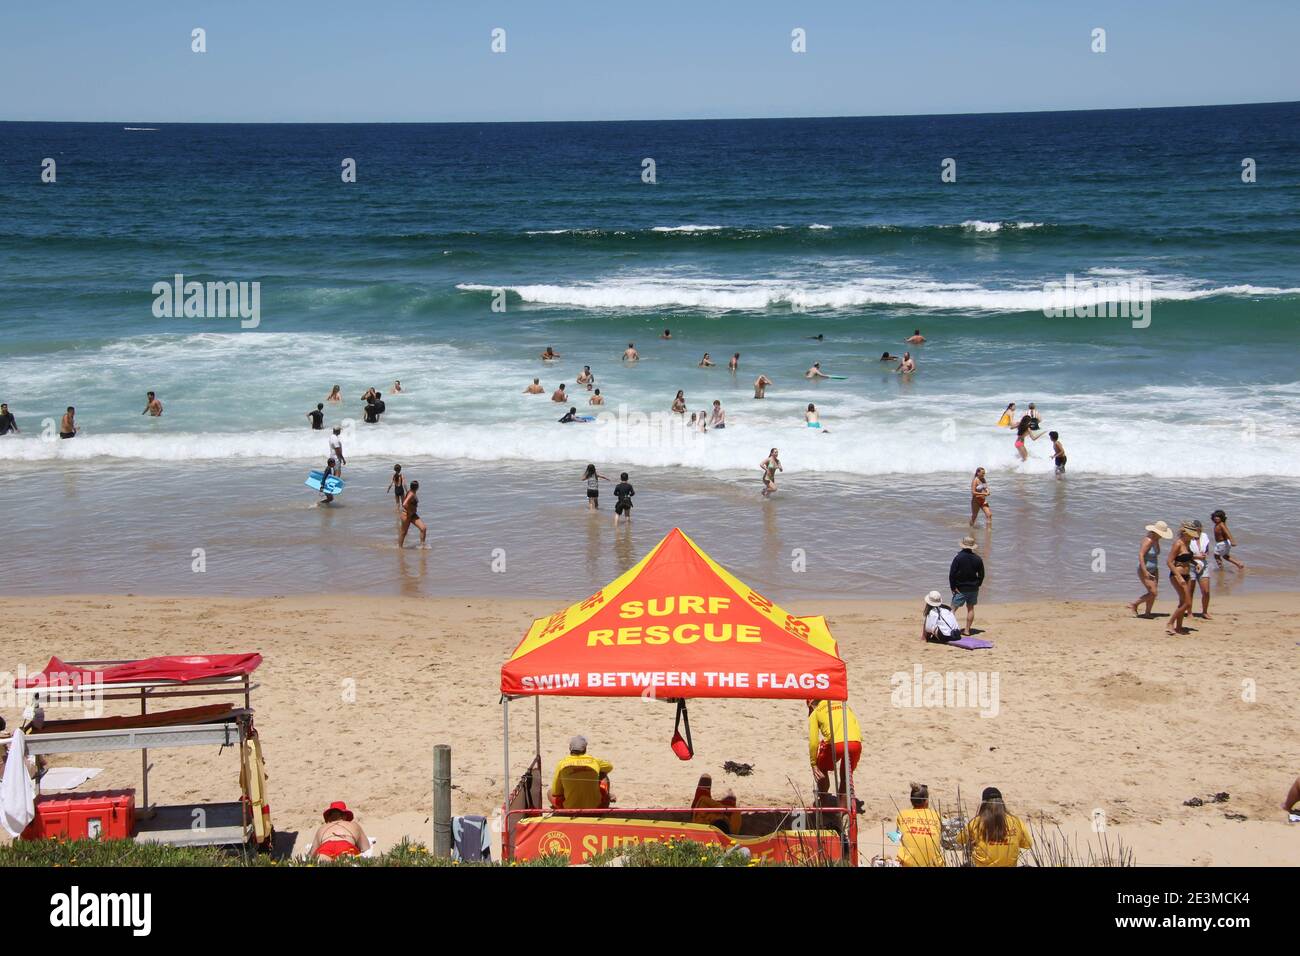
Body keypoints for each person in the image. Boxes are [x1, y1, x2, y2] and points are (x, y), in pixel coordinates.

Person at [958, 787, 1032, 867]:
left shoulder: (976, 822)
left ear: (984, 804)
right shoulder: (1016, 821)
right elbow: (1028, 844)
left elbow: (959, 840)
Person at [807, 699, 861, 795]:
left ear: (811, 705)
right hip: (856, 743)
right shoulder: (844, 706)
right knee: (846, 776)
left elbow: (813, 742)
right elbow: (856, 726)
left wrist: (813, 764)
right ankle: (843, 808)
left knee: (821, 768)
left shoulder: (816, 712)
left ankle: (823, 802)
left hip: (836, 745)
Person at [550, 735, 613, 810]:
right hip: (595, 807)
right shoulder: (594, 761)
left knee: (549, 792)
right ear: (585, 749)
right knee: (604, 774)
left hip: (570, 808)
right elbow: (609, 767)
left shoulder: (561, 763)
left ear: (570, 748)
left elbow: (556, 793)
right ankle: (606, 799)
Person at [1128, 520, 1172, 617]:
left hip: (1154, 569)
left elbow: (1155, 554)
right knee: (1153, 592)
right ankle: (1135, 604)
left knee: (1152, 592)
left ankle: (1148, 612)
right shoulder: (1148, 540)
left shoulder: (1156, 540)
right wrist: (1144, 571)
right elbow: (1141, 555)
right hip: (1145, 570)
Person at [896, 783, 944, 867]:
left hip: (907, 864)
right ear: (926, 801)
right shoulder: (936, 815)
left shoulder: (902, 815)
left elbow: (897, 836)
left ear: (911, 800)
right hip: (934, 864)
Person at [306, 801, 372, 860]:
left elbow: (311, 854)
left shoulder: (322, 828)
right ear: (345, 815)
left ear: (329, 817)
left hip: (325, 846)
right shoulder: (354, 825)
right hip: (345, 845)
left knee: (323, 863)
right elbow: (366, 848)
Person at [949, 535, 985, 636]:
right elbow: (982, 575)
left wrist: (953, 587)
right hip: (973, 588)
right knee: (970, 608)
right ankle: (967, 630)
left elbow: (952, 574)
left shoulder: (958, 558)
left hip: (960, 588)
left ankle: (950, 629)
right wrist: (977, 584)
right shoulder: (978, 559)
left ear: (963, 546)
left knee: (952, 609)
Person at [1166, 521, 1197, 635]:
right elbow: (1169, 562)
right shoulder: (1178, 544)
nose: (1192, 536)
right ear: (1184, 533)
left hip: (1187, 574)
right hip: (1177, 575)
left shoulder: (1188, 544)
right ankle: (1170, 623)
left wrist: (1195, 563)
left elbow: (1186, 558)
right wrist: (1179, 577)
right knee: (1187, 603)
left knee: (1184, 601)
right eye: (1190, 534)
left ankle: (1179, 627)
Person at [1188, 519, 1212, 619]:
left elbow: (1207, 551)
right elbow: (1185, 555)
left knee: (1206, 591)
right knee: (1190, 590)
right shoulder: (1188, 538)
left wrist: (1205, 554)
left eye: (1198, 529)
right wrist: (1197, 557)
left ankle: (1205, 611)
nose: (1197, 531)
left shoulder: (1205, 537)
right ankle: (1189, 612)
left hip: (1203, 565)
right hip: (1191, 565)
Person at [398, 480, 427, 548]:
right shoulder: (411, 494)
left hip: (413, 515)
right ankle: (400, 548)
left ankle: (422, 546)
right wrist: (410, 511)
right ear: (417, 487)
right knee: (403, 533)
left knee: (423, 528)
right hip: (406, 515)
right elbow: (404, 504)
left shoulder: (412, 492)